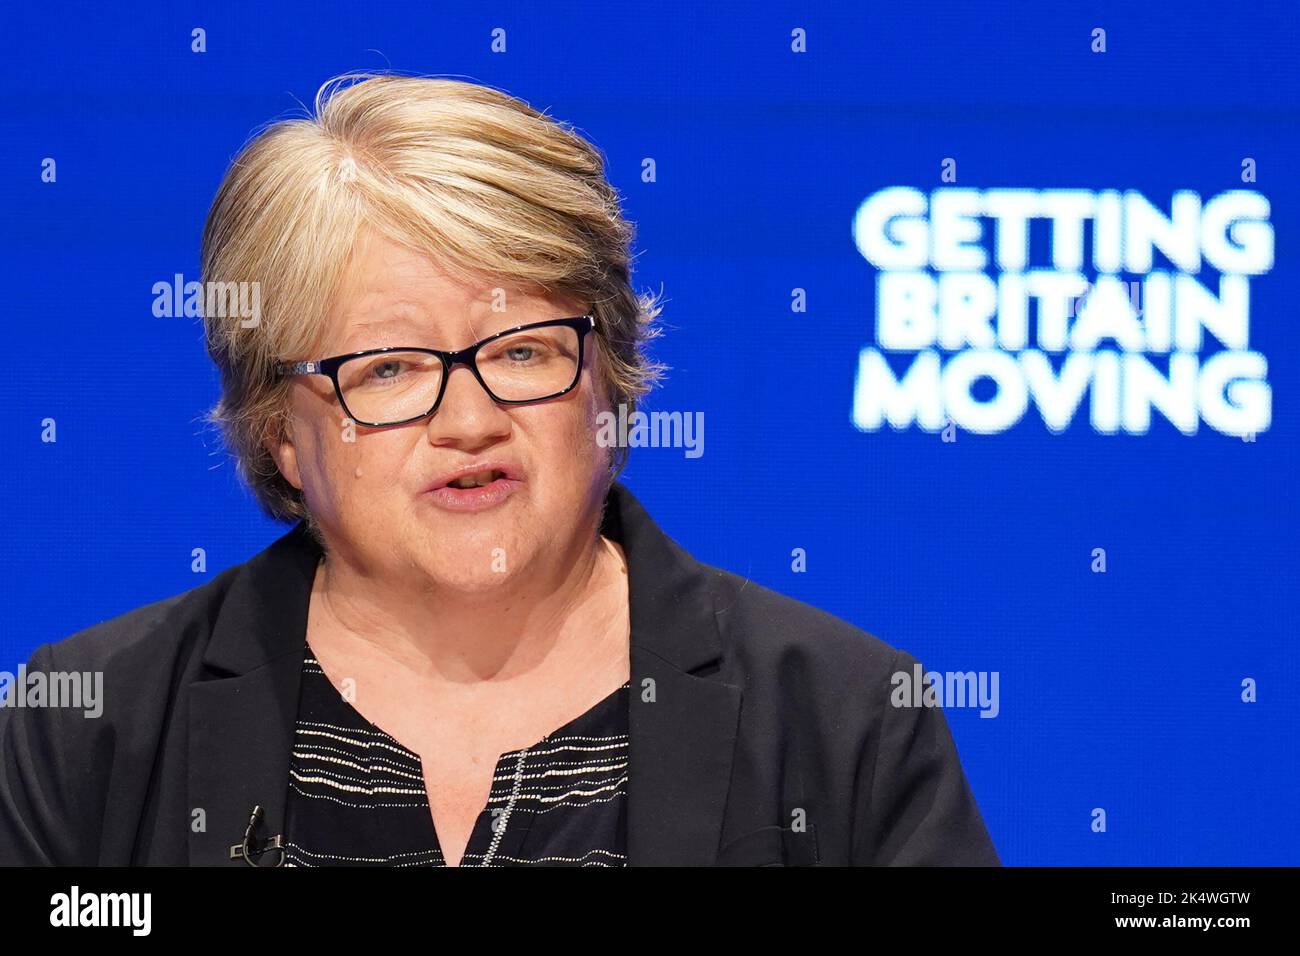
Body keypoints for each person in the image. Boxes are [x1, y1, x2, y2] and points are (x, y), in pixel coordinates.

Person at [0, 72, 998, 866]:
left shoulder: (841, 716)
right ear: (280, 432)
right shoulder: (89, 722)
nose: (468, 419)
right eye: (388, 368)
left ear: (607, 378)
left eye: (521, 350)